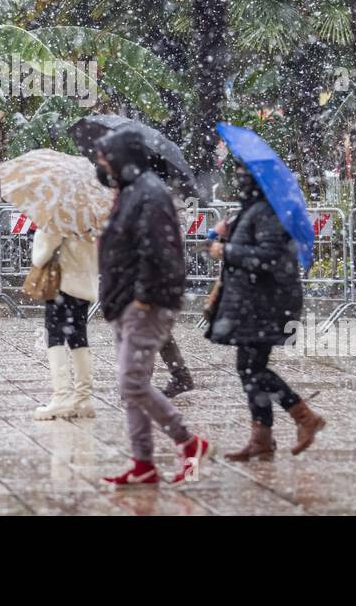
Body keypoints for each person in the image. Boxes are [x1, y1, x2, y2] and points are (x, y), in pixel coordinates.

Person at [93, 127, 212, 487]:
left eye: (105, 159)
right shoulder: (130, 192)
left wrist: (143, 297)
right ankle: (142, 462)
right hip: (124, 302)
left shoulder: (149, 193)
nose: (101, 166)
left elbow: (159, 250)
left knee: (131, 383)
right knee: (134, 387)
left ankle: (188, 441)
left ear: (122, 158)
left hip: (143, 305)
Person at [205, 160, 324, 460]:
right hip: (252, 301)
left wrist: (227, 251)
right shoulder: (253, 209)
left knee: (251, 368)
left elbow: (270, 257)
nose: (239, 179)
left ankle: (304, 417)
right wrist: (227, 234)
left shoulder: (269, 211)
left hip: (266, 303)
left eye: (245, 175)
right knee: (249, 369)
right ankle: (262, 436)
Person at [31, 225, 99, 420]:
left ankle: (62, 396)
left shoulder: (60, 210)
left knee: (55, 337)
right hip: (84, 282)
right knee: (79, 337)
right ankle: (83, 398)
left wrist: (39, 245)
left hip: (63, 281)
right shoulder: (90, 211)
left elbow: (43, 252)